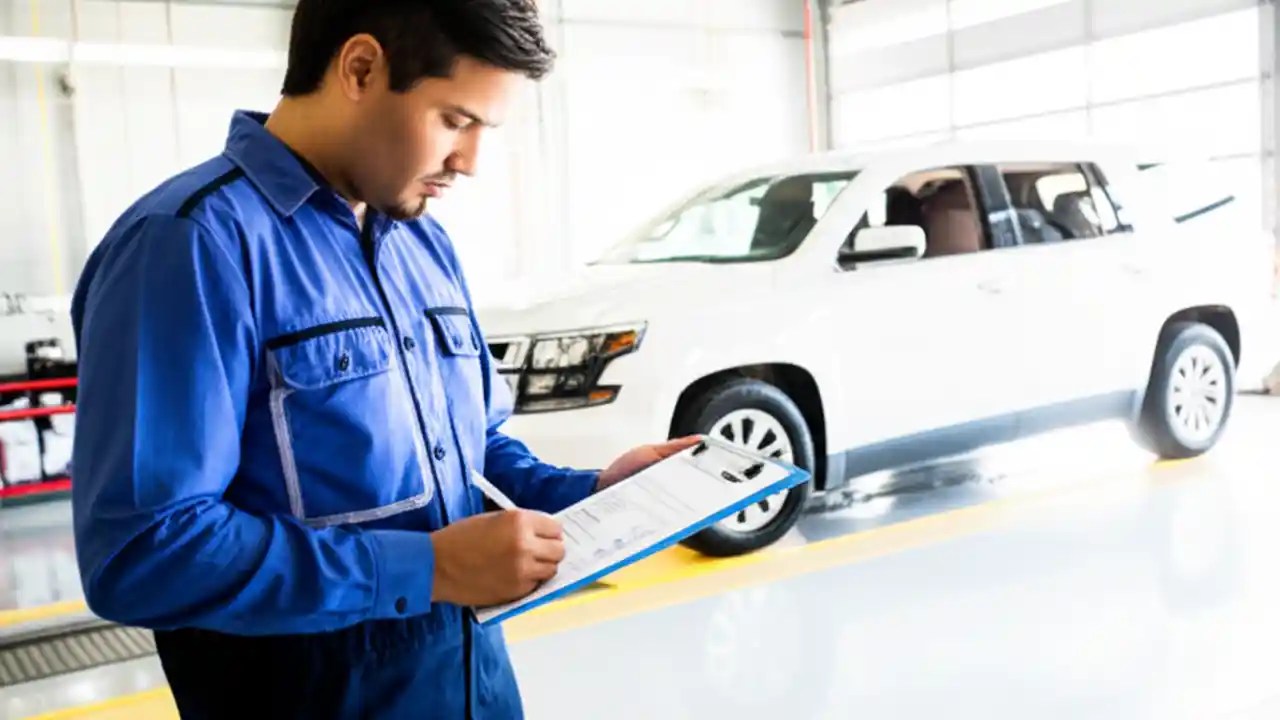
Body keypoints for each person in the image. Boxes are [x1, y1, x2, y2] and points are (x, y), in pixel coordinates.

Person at [67, 1, 697, 718]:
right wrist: (426, 568)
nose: (470, 163)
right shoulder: (189, 246)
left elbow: (471, 456)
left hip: (473, 693)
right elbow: (145, 553)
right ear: (360, 68)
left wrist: (591, 496)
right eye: (455, 121)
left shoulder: (421, 244)